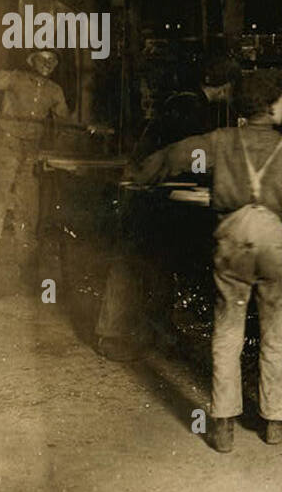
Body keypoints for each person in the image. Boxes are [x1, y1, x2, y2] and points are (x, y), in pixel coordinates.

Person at [134, 71, 282, 453]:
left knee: (228, 331)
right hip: (276, 248)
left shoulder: (220, 141)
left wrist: (139, 173)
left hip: (232, 243)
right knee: (277, 330)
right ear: (271, 107)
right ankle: (275, 422)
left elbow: (175, 155)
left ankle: (223, 423)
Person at [95, 56, 239, 361]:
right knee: (132, 261)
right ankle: (112, 335)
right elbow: (187, 158)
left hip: (150, 187)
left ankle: (156, 329)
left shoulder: (184, 101)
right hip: (144, 190)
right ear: (223, 86)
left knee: (158, 262)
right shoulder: (192, 109)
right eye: (229, 86)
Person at [0, 50, 69, 266]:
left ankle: (26, 273)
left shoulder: (54, 91)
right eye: (43, 58)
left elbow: (64, 124)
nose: (47, 64)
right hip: (7, 146)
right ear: (33, 61)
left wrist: (61, 137)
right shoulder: (15, 78)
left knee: (28, 212)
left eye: (52, 60)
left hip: (31, 152)